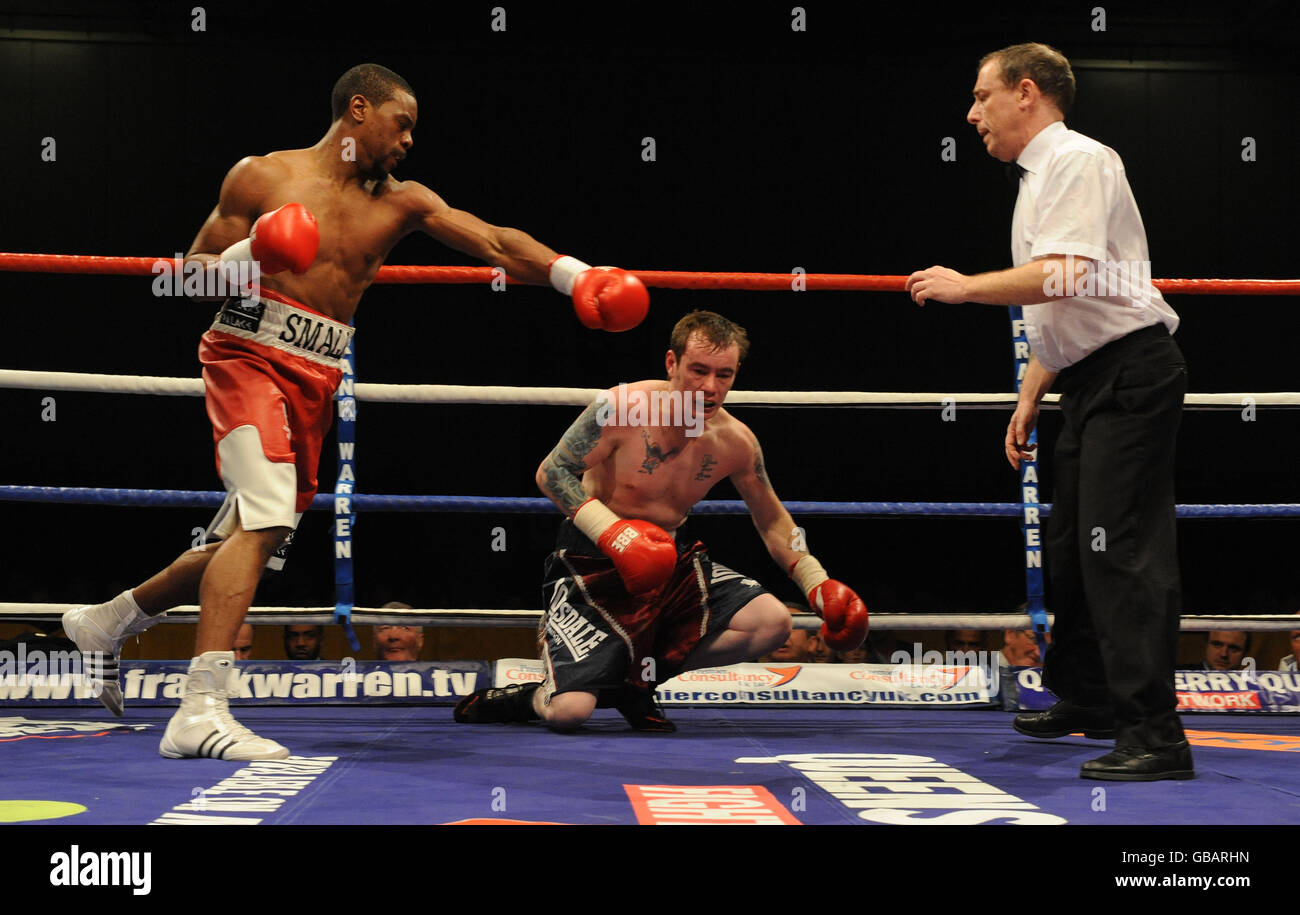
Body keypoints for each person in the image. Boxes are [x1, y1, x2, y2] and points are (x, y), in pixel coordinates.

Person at [61, 63, 650, 761]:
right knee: (269, 511)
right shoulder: (262, 176)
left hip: (315, 376)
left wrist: (576, 276)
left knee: (256, 538)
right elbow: (187, 277)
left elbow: (493, 241)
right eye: (403, 124)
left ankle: (109, 618)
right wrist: (255, 251)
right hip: (245, 354)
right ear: (360, 110)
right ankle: (200, 708)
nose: (409, 141)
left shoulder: (402, 203)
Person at [905, 43, 1191, 781]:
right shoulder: (1036, 180)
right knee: (1071, 545)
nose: (971, 115)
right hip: (1088, 379)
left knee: (1119, 550)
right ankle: (1092, 696)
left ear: (1025, 93)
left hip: (1130, 374)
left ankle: (1156, 734)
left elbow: (1065, 274)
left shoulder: (1081, 160)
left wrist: (966, 288)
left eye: (982, 97)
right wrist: (1032, 392)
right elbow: (1062, 302)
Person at [454, 310, 868, 732]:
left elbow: (772, 519)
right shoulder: (621, 408)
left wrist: (816, 582)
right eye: (698, 370)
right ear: (672, 363)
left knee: (772, 623)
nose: (709, 388)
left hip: (673, 560)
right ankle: (533, 695)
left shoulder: (736, 442)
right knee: (569, 713)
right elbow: (553, 471)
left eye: (723, 375)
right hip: (592, 559)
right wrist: (612, 532)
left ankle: (637, 680)